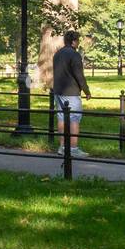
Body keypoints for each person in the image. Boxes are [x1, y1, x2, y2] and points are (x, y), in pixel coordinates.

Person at [52, 29, 91, 157]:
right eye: (78, 40)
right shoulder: (74, 55)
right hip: (72, 92)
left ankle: (62, 147)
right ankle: (73, 148)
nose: (78, 43)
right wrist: (86, 91)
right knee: (74, 119)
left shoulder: (57, 54)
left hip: (58, 91)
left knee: (62, 118)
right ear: (74, 41)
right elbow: (79, 75)